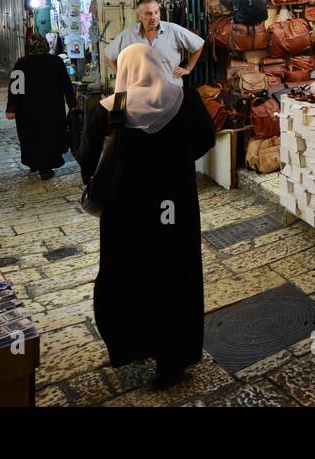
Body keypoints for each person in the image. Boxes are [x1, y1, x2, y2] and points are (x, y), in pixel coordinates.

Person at [75, 45, 215, 389]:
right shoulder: (186, 100)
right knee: (175, 275)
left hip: (126, 214)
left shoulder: (109, 110)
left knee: (128, 274)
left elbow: (86, 160)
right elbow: (205, 139)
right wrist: (175, 160)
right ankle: (173, 358)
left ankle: (133, 344)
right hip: (174, 209)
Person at [6, 35, 77, 179]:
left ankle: (34, 163)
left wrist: (11, 108)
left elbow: (14, 88)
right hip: (51, 109)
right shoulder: (56, 62)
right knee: (50, 136)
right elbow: (66, 85)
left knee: (30, 136)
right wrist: (73, 104)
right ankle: (46, 168)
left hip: (27, 110)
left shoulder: (21, 63)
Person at [104, 0, 203, 85]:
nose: (154, 17)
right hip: (141, 93)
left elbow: (199, 45)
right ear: (139, 16)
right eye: (148, 14)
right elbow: (108, 55)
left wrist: (188, 68)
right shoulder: (128, 35)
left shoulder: (173, 30)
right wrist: (121, 76)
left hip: (169, 91)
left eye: (156, 12)